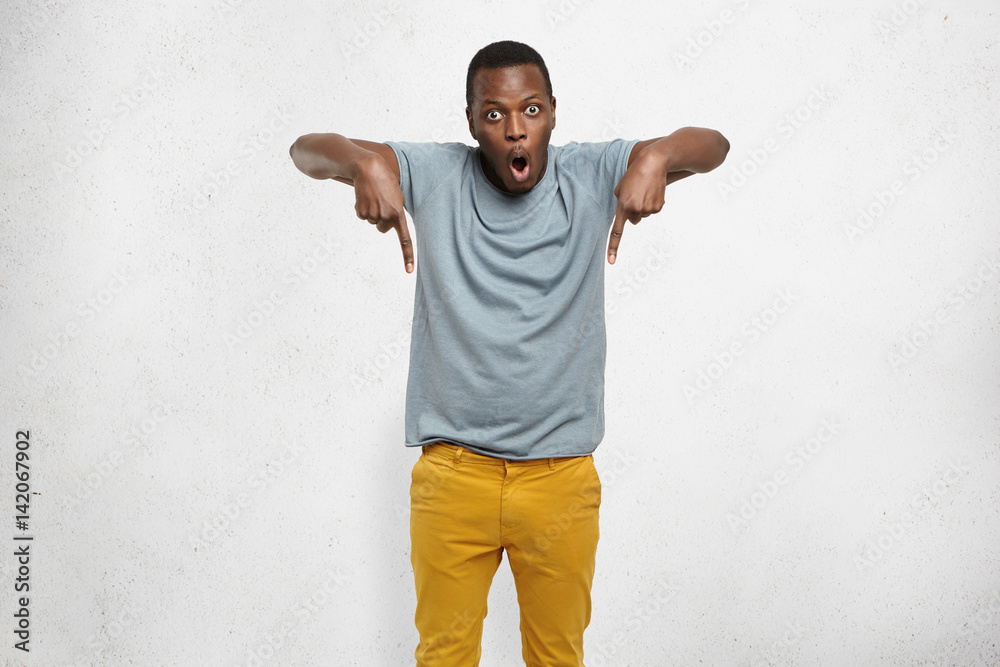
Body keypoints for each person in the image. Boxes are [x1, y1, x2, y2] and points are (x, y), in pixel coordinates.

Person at [290, 39, 728, 667]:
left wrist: (657, 156)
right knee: (442, 657)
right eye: (494, 114)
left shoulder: (593, 171)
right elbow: (304, 150)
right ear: (471, 122)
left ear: (553, 112)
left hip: (559, 478)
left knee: (557, 658)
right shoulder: (437, 173)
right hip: (453, 474)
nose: (515, 130)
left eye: (530, 110)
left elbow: (713, 145)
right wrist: (362, 163)